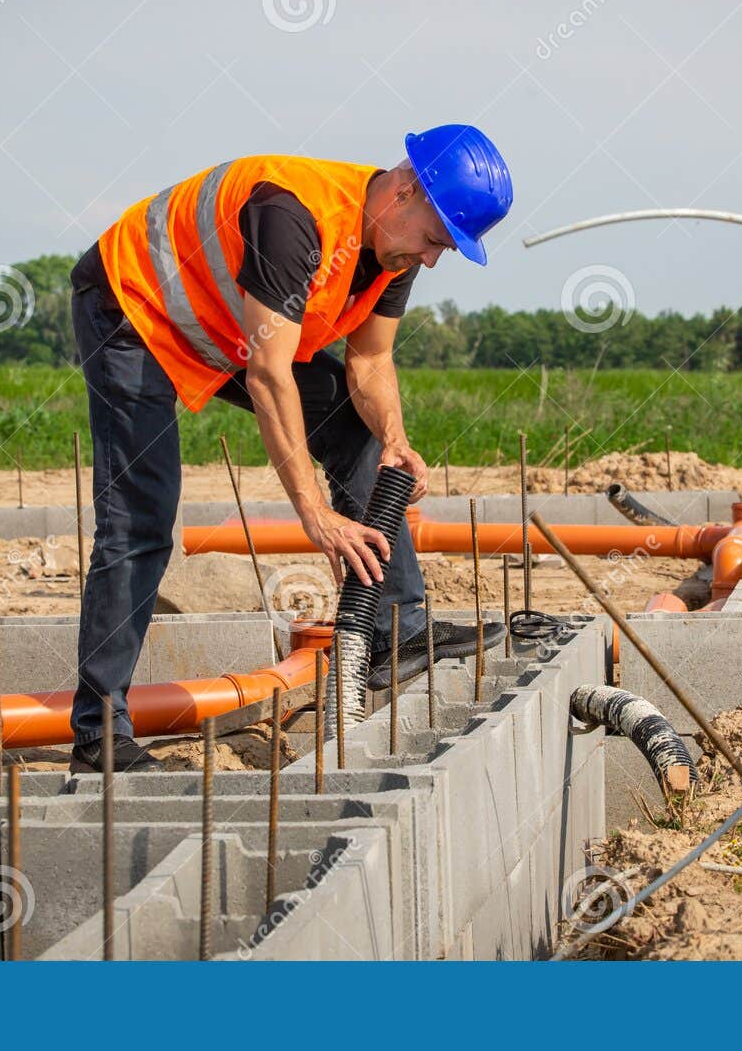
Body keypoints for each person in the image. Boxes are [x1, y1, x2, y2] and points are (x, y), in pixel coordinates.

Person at [66, 124, 514, 771]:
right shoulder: (293, 218)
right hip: (132, 305)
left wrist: (396, 438)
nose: (434, 258)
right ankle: (98, 734)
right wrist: (316, 515)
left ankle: (398, 631)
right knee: (140, 518)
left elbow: (369, 363)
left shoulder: (392, 252)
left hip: (223, 329)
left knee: (361, 434)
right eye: (435, 239)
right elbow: (270, 372)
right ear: (405, 191)